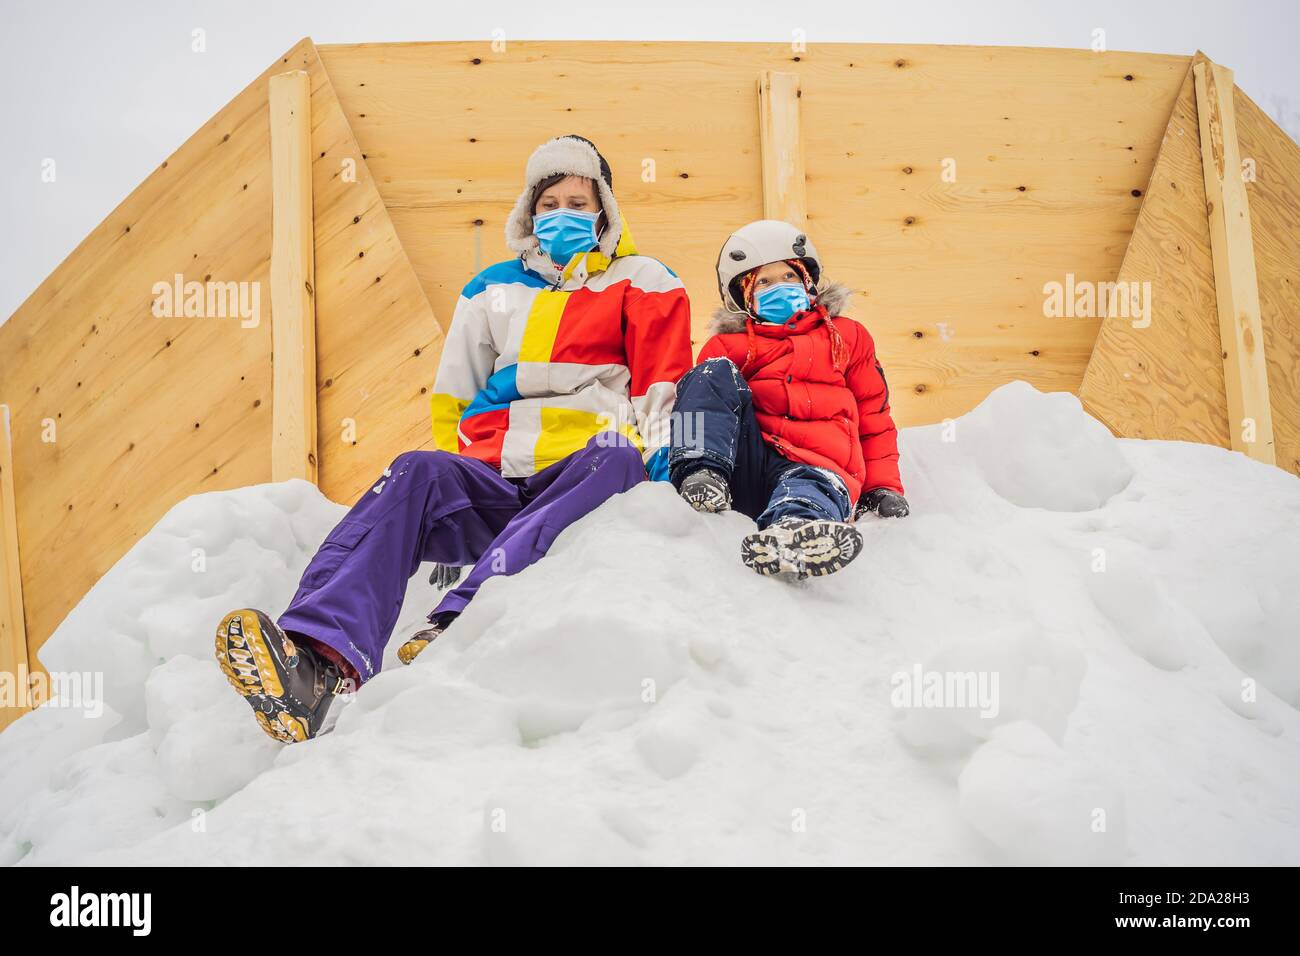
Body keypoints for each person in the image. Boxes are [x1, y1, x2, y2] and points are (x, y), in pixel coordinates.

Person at [215, 135, 693, 743]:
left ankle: (460, 621)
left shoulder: (644, 279)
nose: (564, 215)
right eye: (550, 204)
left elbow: (664, 386)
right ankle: (315, 662)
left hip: (585, 479)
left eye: (579, 201)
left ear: (604, 211)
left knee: (617, 456)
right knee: (416, 469)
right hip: (498, 479)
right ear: (530, 212)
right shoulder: (489, 288)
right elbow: (454, 397)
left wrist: (660, 479)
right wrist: (464, 471)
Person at [668, 219, 908, 578]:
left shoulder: (848, 337)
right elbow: (702, 405)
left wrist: (883, 486)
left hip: (819, 465)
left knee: (807, 488)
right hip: (750, 466)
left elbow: (874, 416)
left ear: (808, 280)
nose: (778, 287)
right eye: (763, 281)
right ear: (744, 295)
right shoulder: (728, 346)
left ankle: (796, 532)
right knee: (706, 376)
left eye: (788, 276)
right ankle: (700, 474)